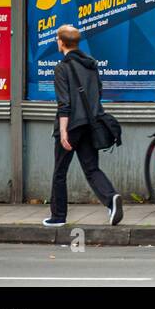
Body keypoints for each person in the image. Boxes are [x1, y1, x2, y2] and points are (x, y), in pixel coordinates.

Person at [43, 25, 122, 227]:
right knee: (91, 168)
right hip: (91, 123)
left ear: (61, 42)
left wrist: (62, 131)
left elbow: (64, 103)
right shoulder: (91, 65)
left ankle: (58, 216)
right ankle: (111, 198)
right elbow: (99, 93)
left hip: (71, 126)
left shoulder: (62, 68)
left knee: (60, 171)